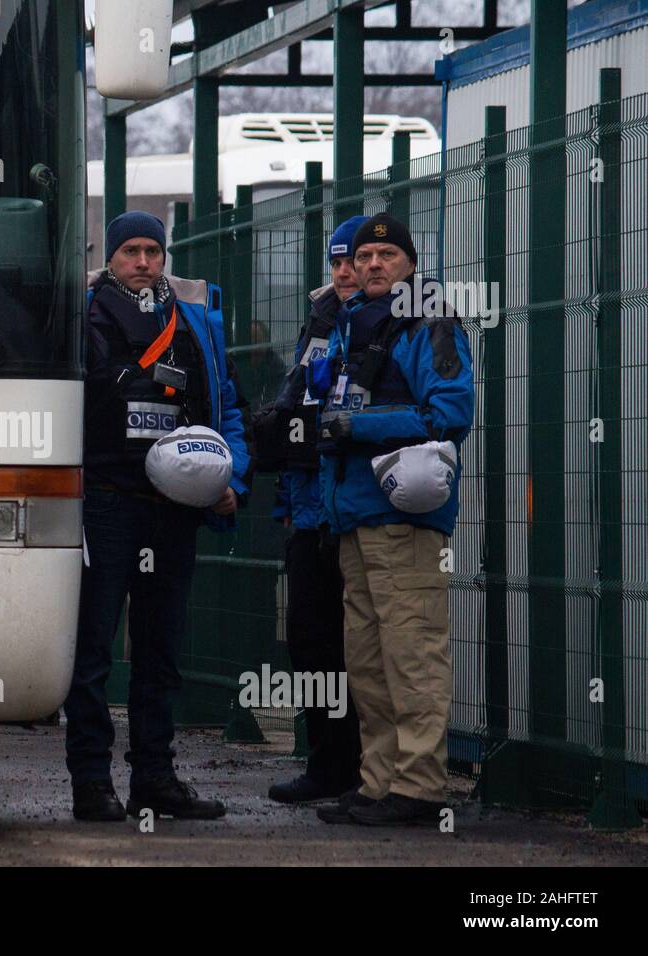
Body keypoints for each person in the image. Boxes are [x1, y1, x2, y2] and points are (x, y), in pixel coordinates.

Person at [67, 211, 251, 821]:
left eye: (152, 251)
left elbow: (228, 409)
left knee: (160, 652)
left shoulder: (195, 321)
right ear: (111, 257)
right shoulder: (82, 315)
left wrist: (231, 480)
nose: (143, 262)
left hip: (173, 510)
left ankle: (155, 777)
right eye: (130, 252)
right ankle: (92, 781)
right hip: (105, 504)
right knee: (93, 649)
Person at [309, 212, 474, 826]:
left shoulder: (431, 323)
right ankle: (380, 782)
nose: (373, 264)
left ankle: (419, 786)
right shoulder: (356, 326)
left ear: (410, 263)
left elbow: (450, 414)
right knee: (372, 662)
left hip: (403, 519)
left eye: (388, 255)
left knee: (412, 654)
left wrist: (359, 427)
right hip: (356, 518)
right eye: (365, 256)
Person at [259, 216, 367, 805]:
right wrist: (285, 502)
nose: (347, 271)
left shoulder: (399, 321)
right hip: (307, 510)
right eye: (338, 261)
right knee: (310, 639)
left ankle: (374, 772)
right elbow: (292, 413)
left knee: (367, 646)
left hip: (358, 509)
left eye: (355, 259)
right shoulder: (319, 320)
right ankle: (328, 765)